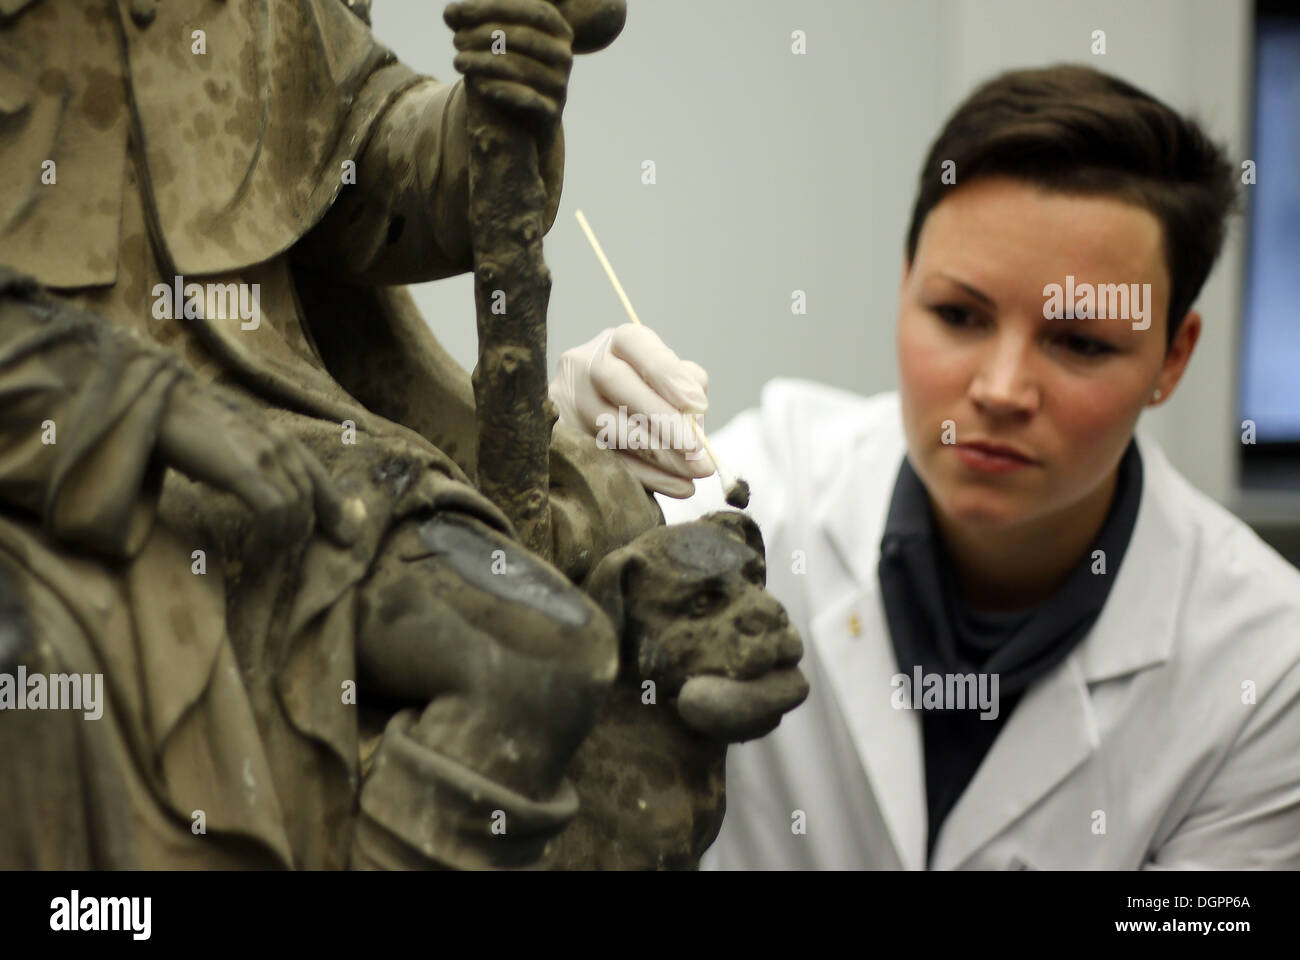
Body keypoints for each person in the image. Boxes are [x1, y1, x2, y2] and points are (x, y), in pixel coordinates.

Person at [549, 64, 1300, 869]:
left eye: (1081, 341)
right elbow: (517, 639)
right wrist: (558, 463)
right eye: (959, 315)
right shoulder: (769, 481)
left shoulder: (1266, 665)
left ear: (1171, 360)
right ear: (905, 288)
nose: (1002, 390)